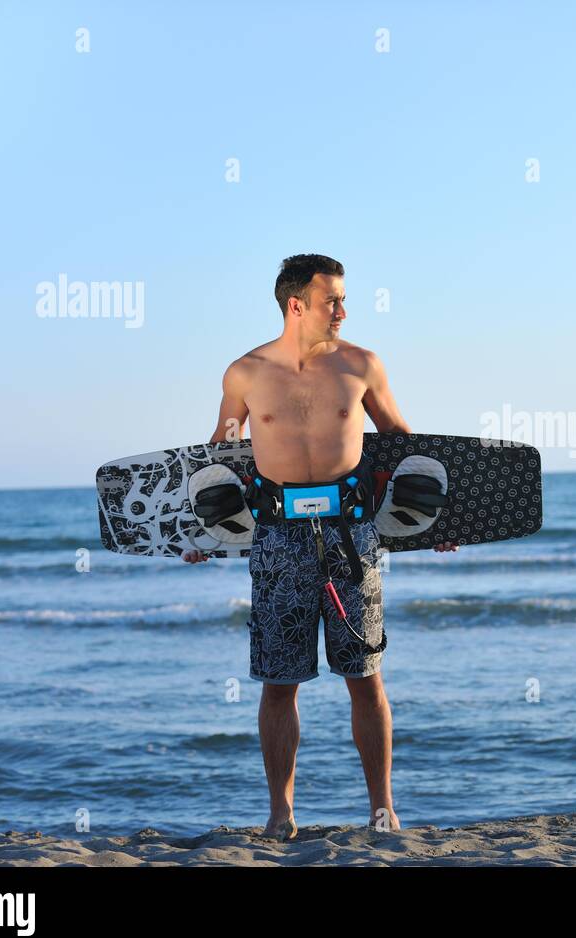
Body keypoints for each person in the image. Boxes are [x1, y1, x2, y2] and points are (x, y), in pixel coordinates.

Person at [183, 253, 457, 838]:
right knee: (279, 682)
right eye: (332, 299)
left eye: (343, 298)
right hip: (277, 540)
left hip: (351, 537)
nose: (343, 310)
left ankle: (382, 807)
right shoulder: (246, 374)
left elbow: (402, 445)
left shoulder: (362, 365)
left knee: (366, 675)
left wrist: (433, 524)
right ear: (296, 304)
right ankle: (281, 812)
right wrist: (199, 531)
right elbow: (222, 455)